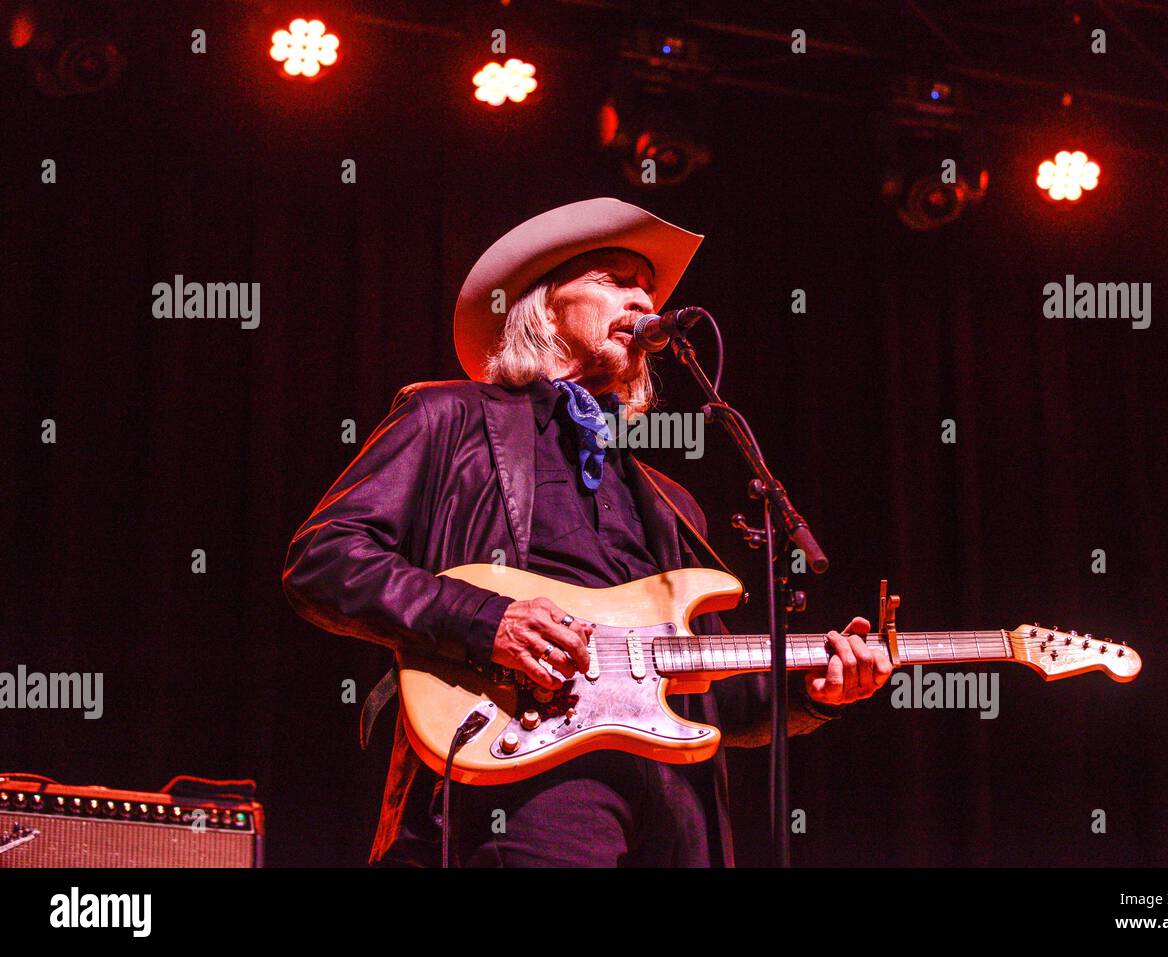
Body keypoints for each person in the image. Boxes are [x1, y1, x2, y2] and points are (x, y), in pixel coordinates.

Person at [282, 197, 894, 867]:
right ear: (542, 307)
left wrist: (813, 692)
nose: (643, 297)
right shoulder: (446, 417)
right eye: (616, 278)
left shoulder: (671, 501)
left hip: (673, 799)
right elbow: (325, 557)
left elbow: (714, 684)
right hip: (524, 774)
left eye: (649, 287)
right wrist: (489, 619)